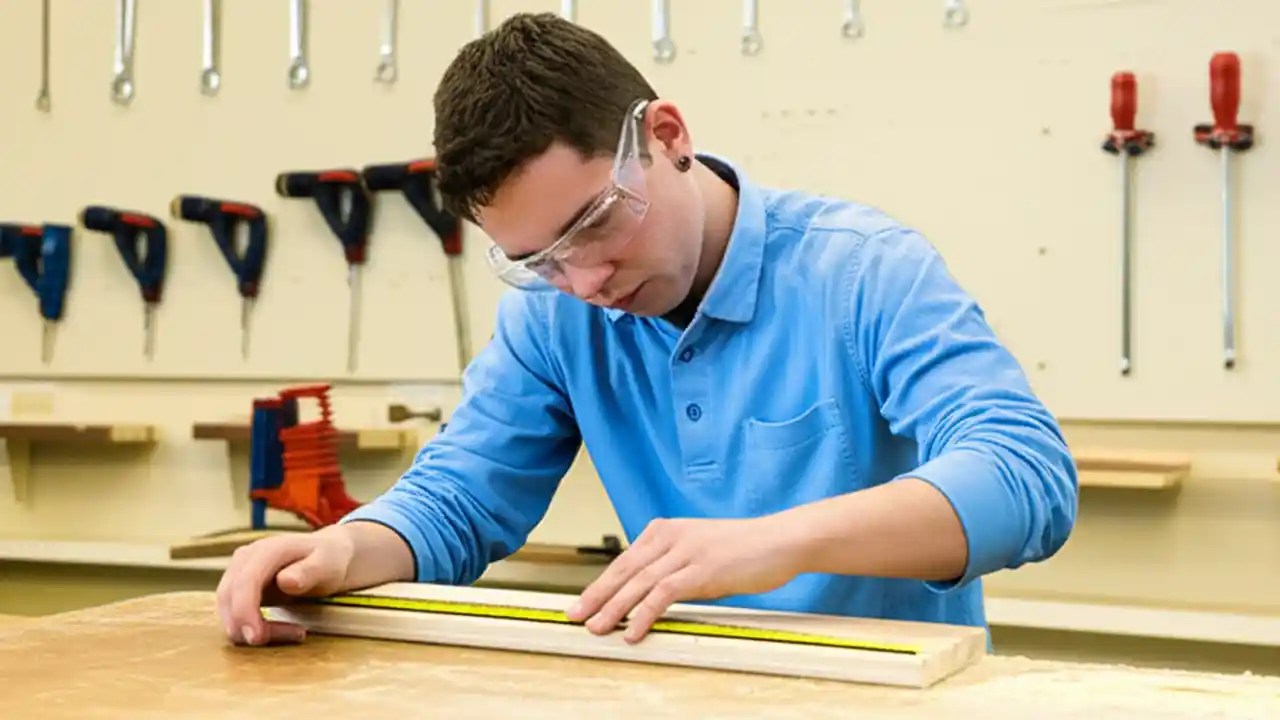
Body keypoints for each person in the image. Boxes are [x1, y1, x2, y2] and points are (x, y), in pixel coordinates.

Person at [216, 12, 1078, 648]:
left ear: (666, 136)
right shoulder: (553, 316)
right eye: (538, 258)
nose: (584, 282)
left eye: (594, 223)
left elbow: (1026, 478)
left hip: (886, 697)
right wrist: (339, 550)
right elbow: (460, 499)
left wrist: (775, 544)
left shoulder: (863, 270)